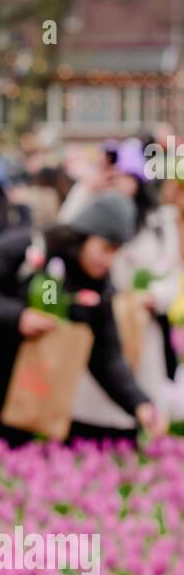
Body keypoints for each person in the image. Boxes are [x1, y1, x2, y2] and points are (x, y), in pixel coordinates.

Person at [0, 193, 166, 453]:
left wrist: (139, 404)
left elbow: (106, 355)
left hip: (14, 404)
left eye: (116, 252)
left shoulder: (97, 291)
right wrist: (18, 316)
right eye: (105, 248)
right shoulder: (28, 249)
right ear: (84, 235)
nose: (108, 260)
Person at [67, 139, 182, 439]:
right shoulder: (92, 212)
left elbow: (173, 275)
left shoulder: (159, 223)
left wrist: (154, 297)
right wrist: (86, 189)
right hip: (101, 316)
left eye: (123, 177)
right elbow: (63, 236)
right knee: (97, 393)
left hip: (143, 327)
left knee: (136, 394)